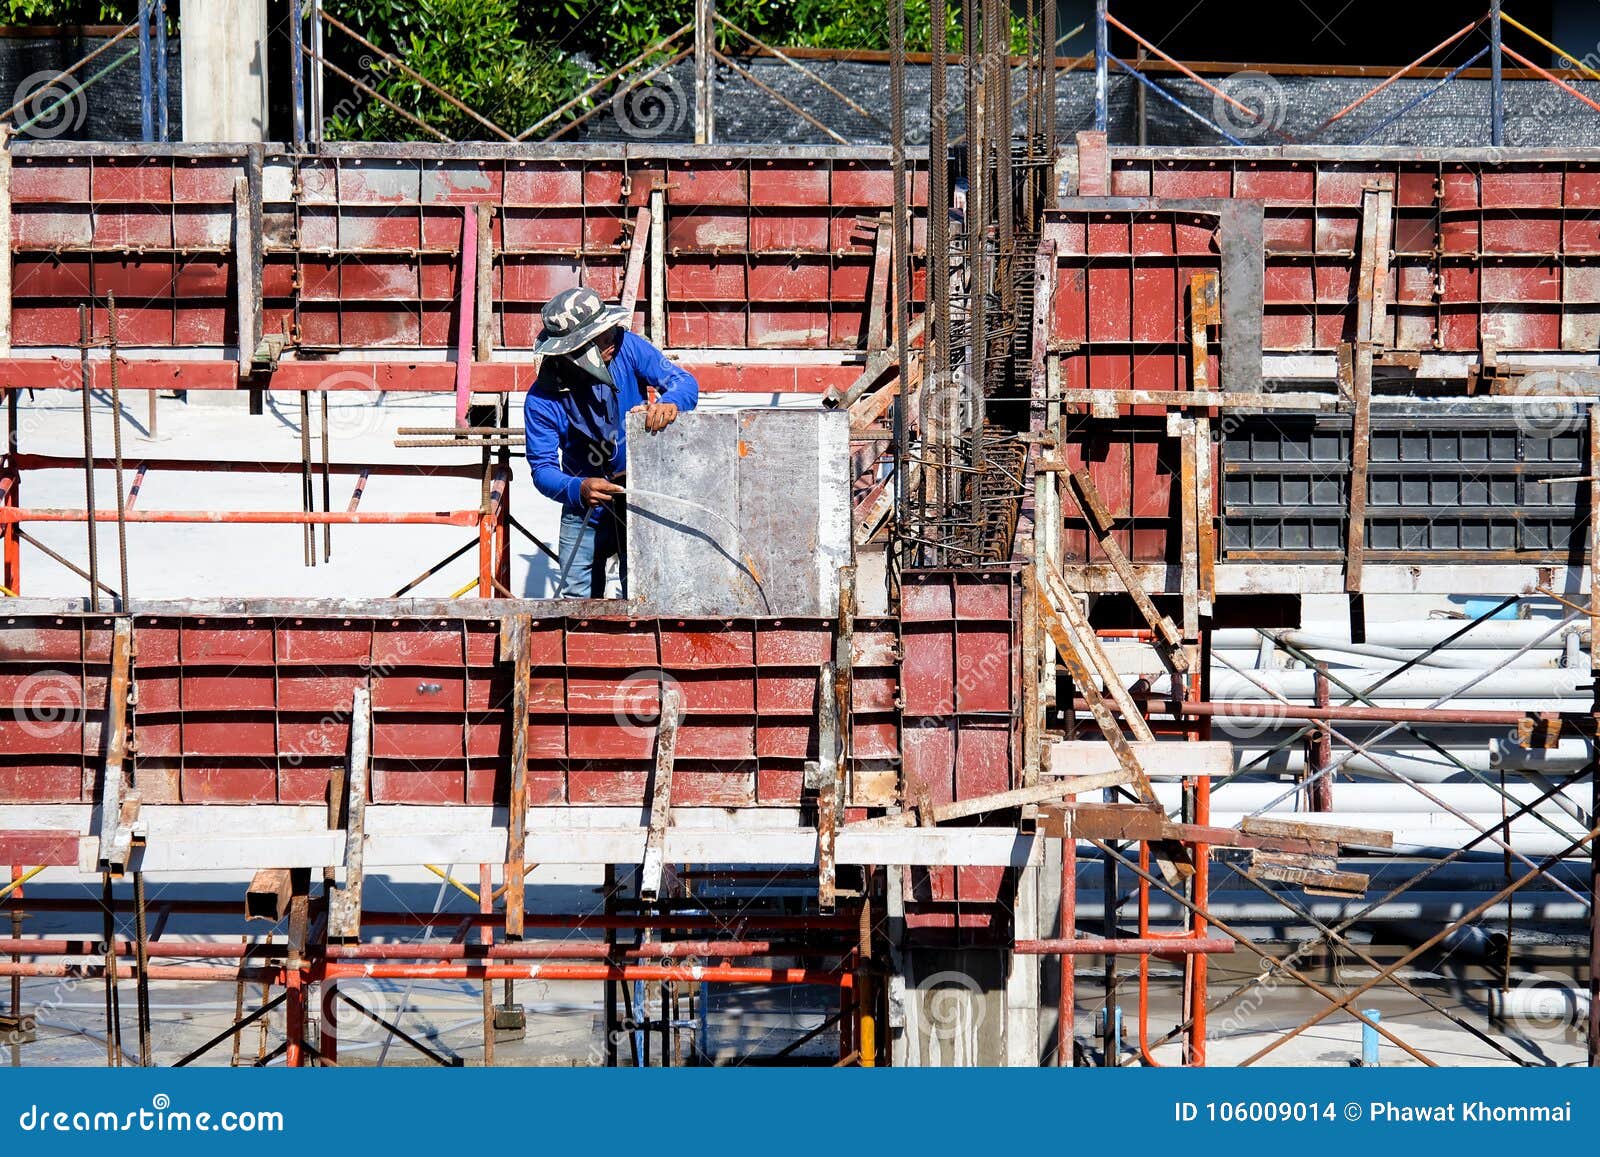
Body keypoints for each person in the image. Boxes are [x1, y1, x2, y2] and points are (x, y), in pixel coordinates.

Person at [525, 286, 698, 598]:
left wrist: (670, 403)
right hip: (583, 506)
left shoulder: (626, 346)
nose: (612, 340)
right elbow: (542, 470)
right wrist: (578, 488)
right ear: (574, 350)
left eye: (609, 332)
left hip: (637, 498)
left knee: (643, 594)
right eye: (601, 338)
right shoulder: (541, 399)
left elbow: (683, 382)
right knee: (574, 601)